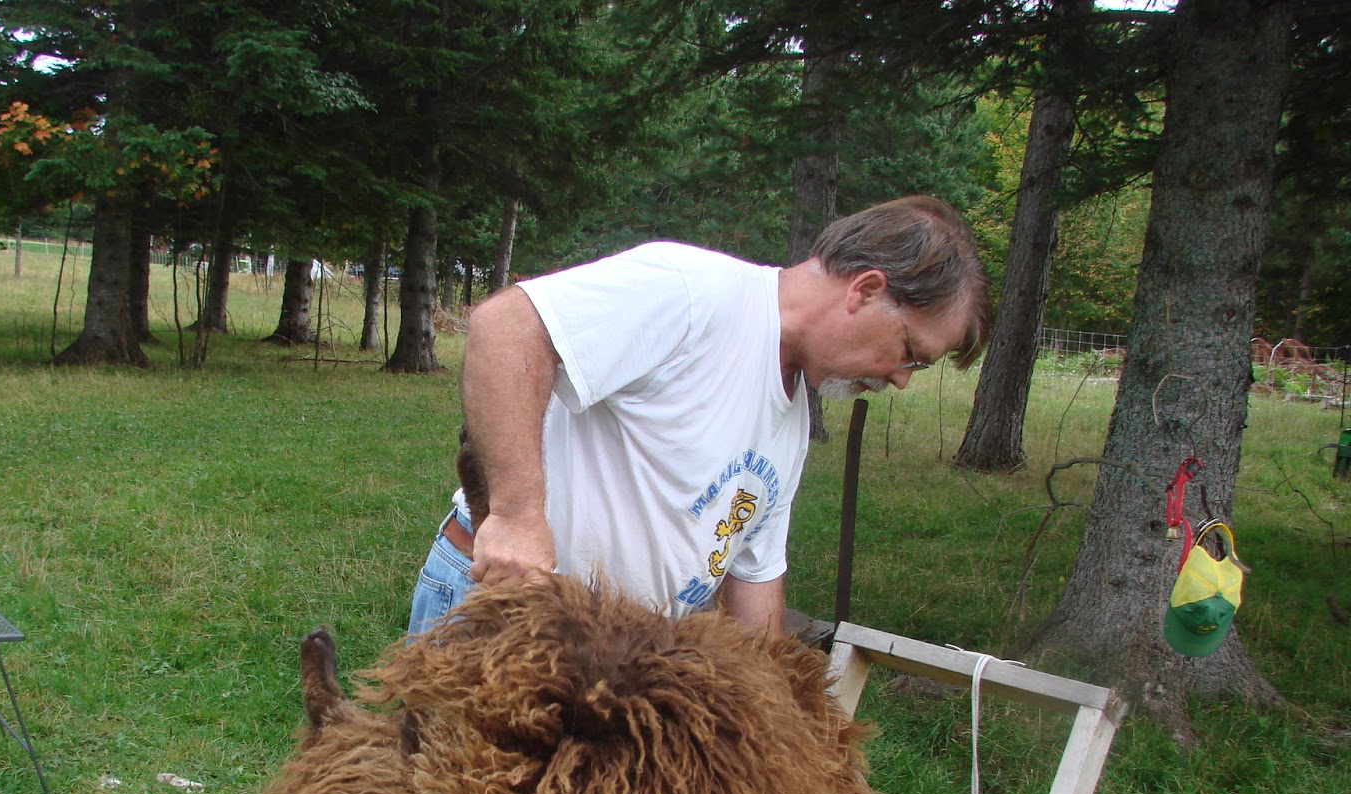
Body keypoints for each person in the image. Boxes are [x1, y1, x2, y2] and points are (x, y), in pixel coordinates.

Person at [407, 195, 990, 639]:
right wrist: (516, 514)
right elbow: (507, 327)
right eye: (912, 352)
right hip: (503, 610)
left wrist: (769, 700)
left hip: (609, 656)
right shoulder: (694, 293)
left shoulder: (789, 420)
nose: (901, 378)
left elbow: (754, 579)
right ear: (865, 290)